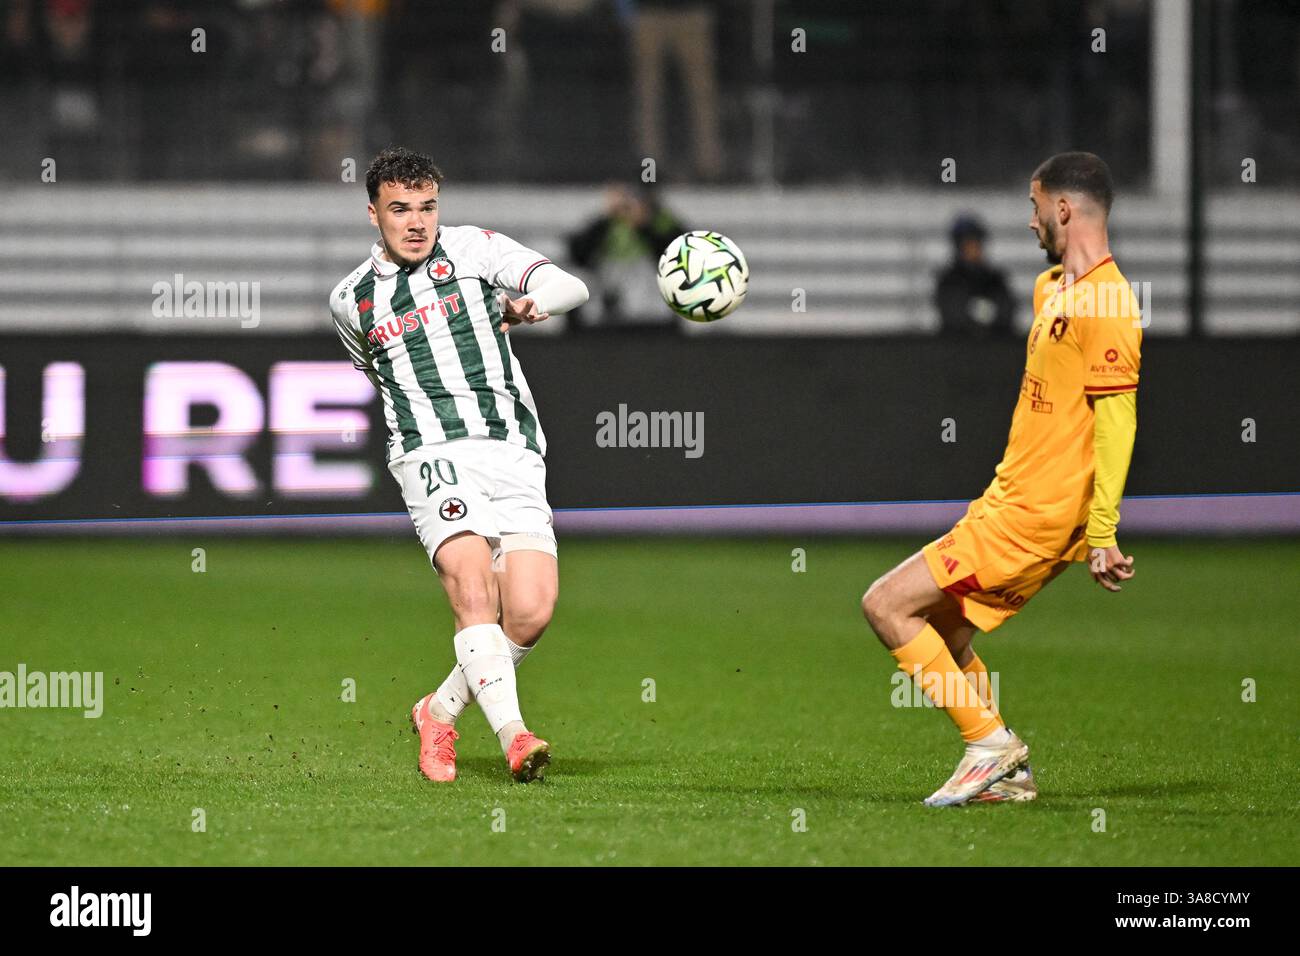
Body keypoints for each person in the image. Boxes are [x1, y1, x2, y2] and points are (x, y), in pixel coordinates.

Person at [861, 152, 1142, 806]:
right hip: (1008, 500)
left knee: (886, 604)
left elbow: (1117, 423)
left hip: (1034, 516)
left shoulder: (1109, 302)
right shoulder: (1052, 289)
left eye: (1034, 204)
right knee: (948, 633)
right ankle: (1009, 774)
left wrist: (1103, 531)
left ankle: (991, 746)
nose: (1030, 219)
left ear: (1063, 209)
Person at [329, 146, 589, 784]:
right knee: (473, 588)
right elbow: (380, 372)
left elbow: (570, 285)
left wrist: (533, 304)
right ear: (373, 214)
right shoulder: (350, 299)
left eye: (426, 207)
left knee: (529, 611)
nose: (416, 222)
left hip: (513, 450)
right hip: (431, 453)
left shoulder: (474, 249)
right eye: (400, 209)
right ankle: (514, 736)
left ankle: (438, 710)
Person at [566, 184, 684, 329]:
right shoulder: (605, 222)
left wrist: (644, 226)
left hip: (651, 299)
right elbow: (578, 256)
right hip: (609, 291)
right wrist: (606, 219)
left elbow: (680, 257)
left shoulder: (662, 219)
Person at [934, 215, 1015, 338]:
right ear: (958, 247)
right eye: (968, 244)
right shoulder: (949, 280)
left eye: (977, 243)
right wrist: (982, 312)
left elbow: (1006, 311)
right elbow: (953, 315)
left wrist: (980, 313)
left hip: (993, 347)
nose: (974, 248)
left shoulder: (994, 279)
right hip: (957, 348)